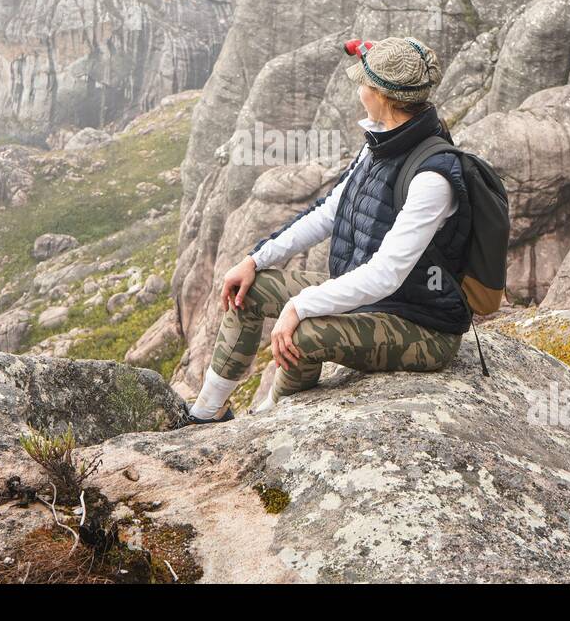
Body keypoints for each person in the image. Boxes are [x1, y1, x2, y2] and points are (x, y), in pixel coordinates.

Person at [187, 36, 472, 423]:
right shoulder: (379, 144)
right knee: (247, 290)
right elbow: (328, 213)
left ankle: (267, 421)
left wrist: (299, 306)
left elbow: (387, 273)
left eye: (363, 84)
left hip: (421, 326)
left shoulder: (432, 176)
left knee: (302, 335)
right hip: (374, 302)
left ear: (382, 96)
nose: (359, 91)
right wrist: (256, 258)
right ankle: (207, 412)